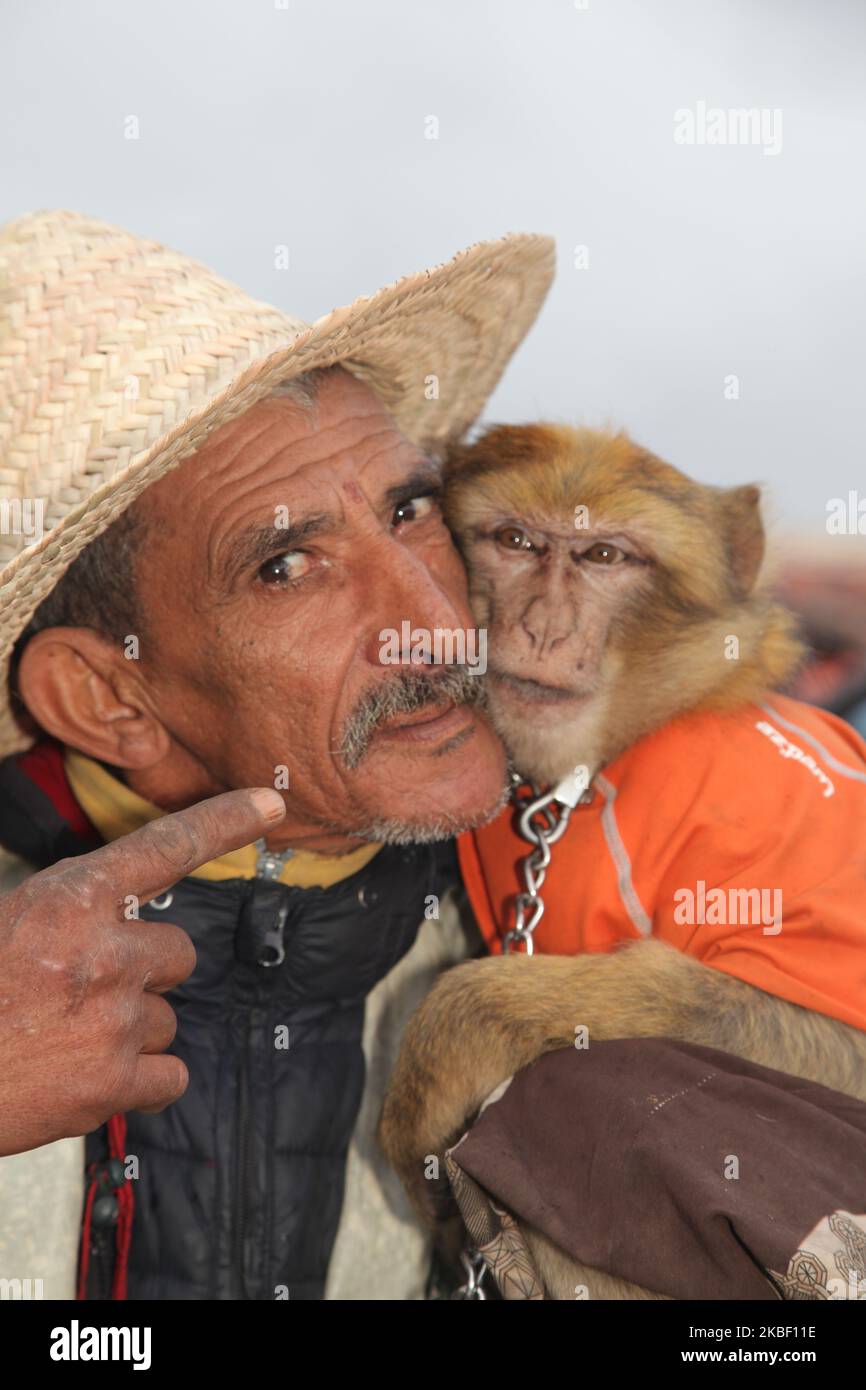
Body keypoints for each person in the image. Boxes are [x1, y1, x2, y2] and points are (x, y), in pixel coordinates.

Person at [0, 209, 555, 1299]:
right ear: (107, 698)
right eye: (288, 564)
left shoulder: (583, 899)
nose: (437, 625)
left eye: (408, 509)